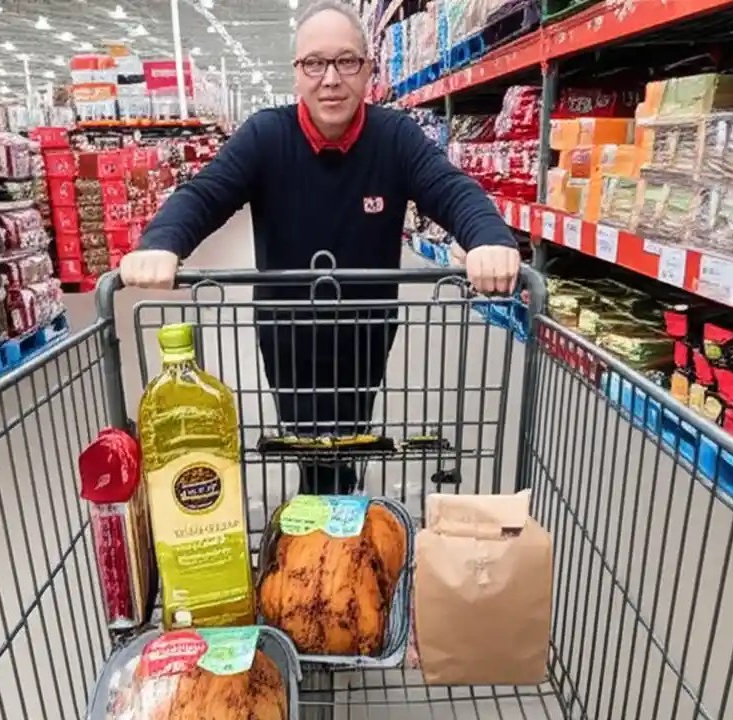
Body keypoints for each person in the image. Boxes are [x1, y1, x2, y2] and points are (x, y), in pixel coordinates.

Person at [120, 0, 521, 494]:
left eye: (346, 61)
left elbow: (452, 188)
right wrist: (161, 243)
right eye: (315, 63)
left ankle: (333, 498)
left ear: (368, 69)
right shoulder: (266, 136)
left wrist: (489, 239)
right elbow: (204, 193)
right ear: (297, 73)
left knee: (349, 432)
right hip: (289, 334)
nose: (330, 78)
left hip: (366, 331)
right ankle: (327, 499)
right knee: (309, 441)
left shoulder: (394, 136)